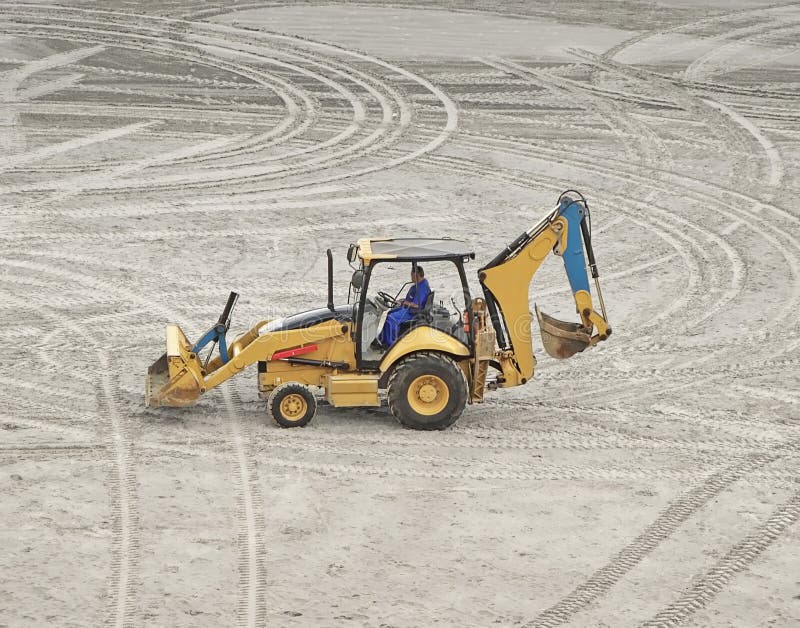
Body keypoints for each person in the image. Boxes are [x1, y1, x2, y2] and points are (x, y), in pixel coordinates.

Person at [374, 265, 430, 349]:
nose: (411, 277)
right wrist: (402, 301)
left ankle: (390, 345)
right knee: (390, 312)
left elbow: (416, 305)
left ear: (415, 275)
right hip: (409, 309)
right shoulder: (420, 284)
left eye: (411, 275)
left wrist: (404, 302)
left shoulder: (421, 287)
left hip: (413, 313)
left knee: (391, 318)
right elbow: (413, 300)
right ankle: (382, 339)